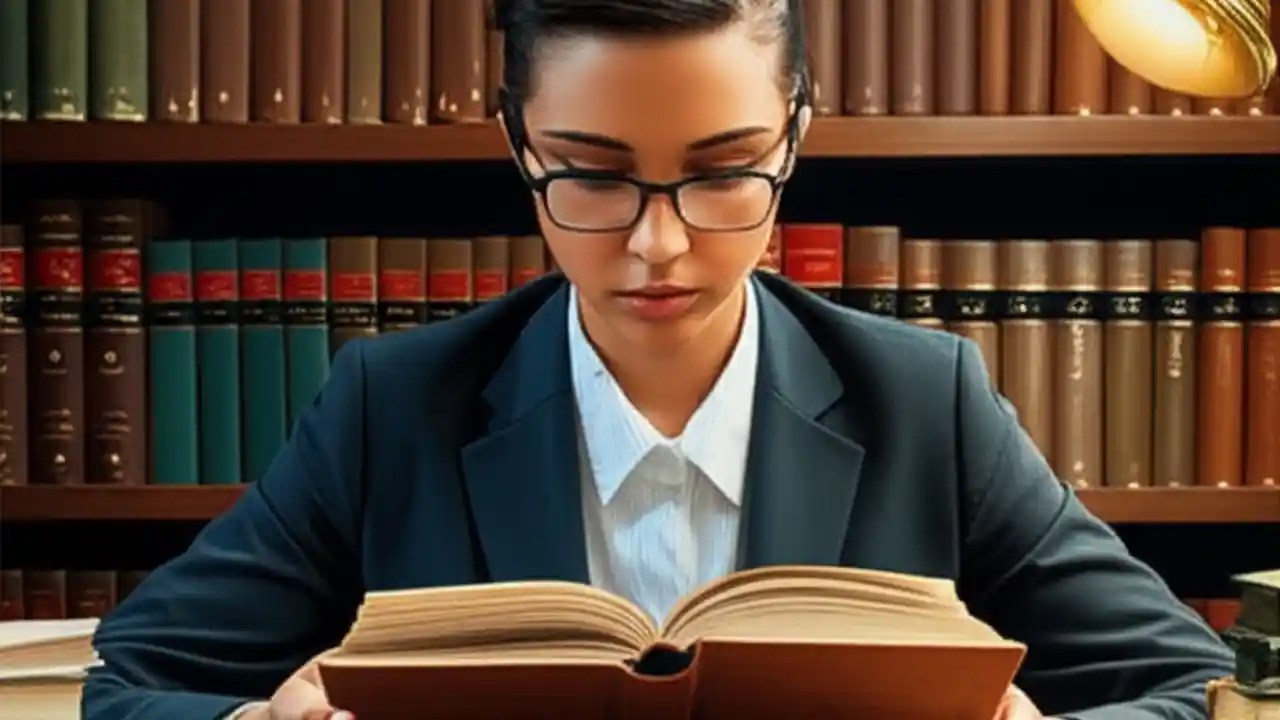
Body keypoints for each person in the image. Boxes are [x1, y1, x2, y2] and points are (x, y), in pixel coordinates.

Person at [82, 1, 1236, 718]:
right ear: (514, 145)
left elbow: (1186, 686)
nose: (657, 244)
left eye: (723, 171)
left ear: (794, 133)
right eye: (589, 175)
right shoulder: (392, 404)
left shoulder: (920, 398)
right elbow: (131, 681)